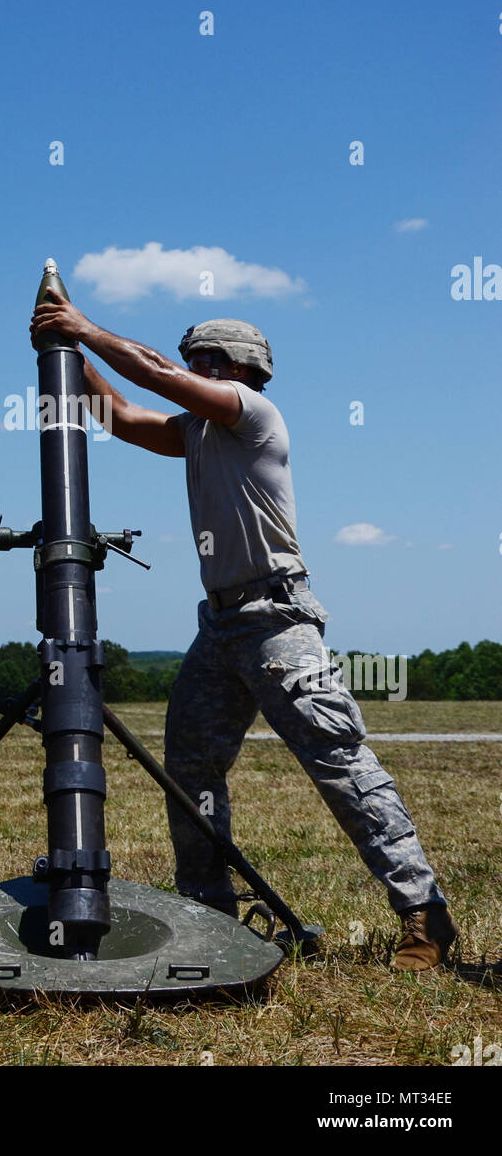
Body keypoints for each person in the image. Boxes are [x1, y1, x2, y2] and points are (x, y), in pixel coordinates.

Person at [29, 294, 457, 971]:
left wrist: (83, 326)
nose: (190, 367)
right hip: (220, 624)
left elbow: (157, 377)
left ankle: (422, 913)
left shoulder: (249, 413)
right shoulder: (198, 431)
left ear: (243, 368)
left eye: (205, 359)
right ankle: (208, 914)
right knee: (190, 768)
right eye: (192, 357)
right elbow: (127, 417)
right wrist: (69, 356)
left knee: (338, 761)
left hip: (278, 619)